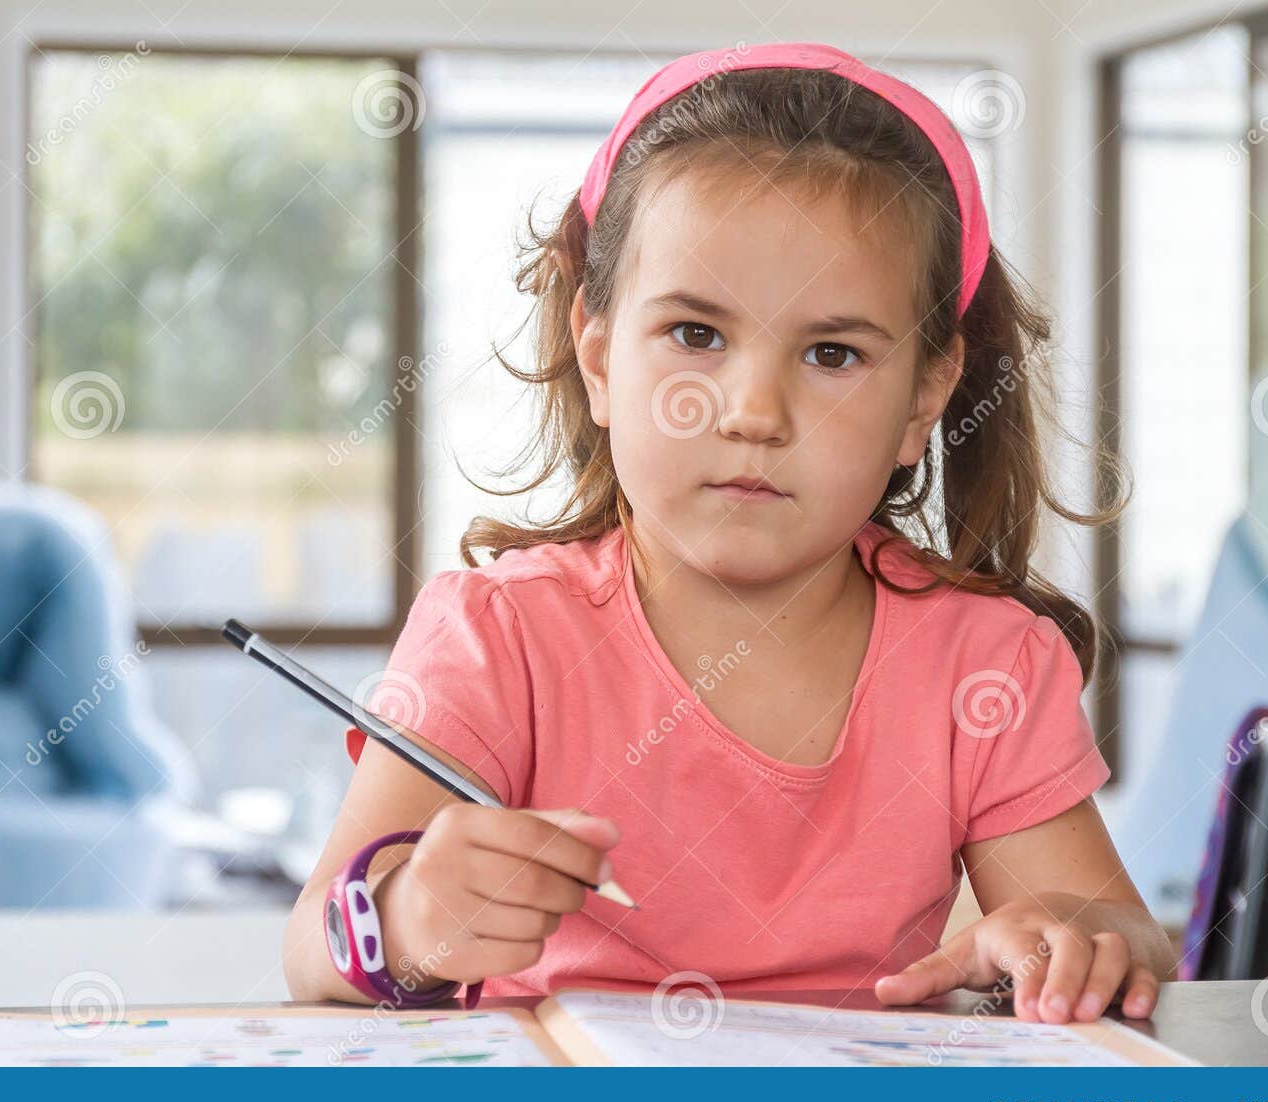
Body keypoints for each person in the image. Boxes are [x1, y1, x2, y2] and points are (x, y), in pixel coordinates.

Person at [283, 42, 1174, 1025]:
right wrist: (406, 919)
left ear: (925, 398)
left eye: (832, 353)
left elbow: (1122, 936)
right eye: (696, 335)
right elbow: (315, 949)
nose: (754, 411)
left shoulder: (984, 662)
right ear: (598, 359)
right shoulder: (498, 636)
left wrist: (1072, 940)